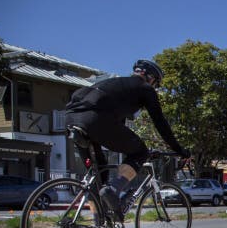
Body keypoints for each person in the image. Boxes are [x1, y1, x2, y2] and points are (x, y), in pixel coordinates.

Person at [65, 59, 190, 218]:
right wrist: (179, 149)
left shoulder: (114, 84)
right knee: (140, 152)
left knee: (98, 177)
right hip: (95, 119)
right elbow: (160, 122)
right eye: (156, 84)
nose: (155, 88)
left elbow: (120, 129)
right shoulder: (144, 88)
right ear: (150, 77)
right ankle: (115, 190)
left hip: (71, 120)